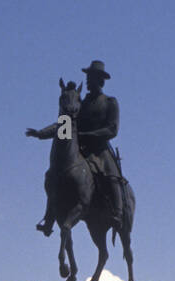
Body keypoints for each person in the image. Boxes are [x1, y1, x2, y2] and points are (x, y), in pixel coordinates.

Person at [31, 60, 125, 236]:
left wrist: (89, 135)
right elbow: (64, 125)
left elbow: (112, 129)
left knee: (112, 175)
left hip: (100, 149)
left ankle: (118, 213)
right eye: (87, 77)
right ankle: (49, 217)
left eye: (91, 78)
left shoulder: (110, 102)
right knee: (55, 173)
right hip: (80, 148)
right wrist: (40, 134)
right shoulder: (80, 103)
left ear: (101, 81)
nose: (88, 81)